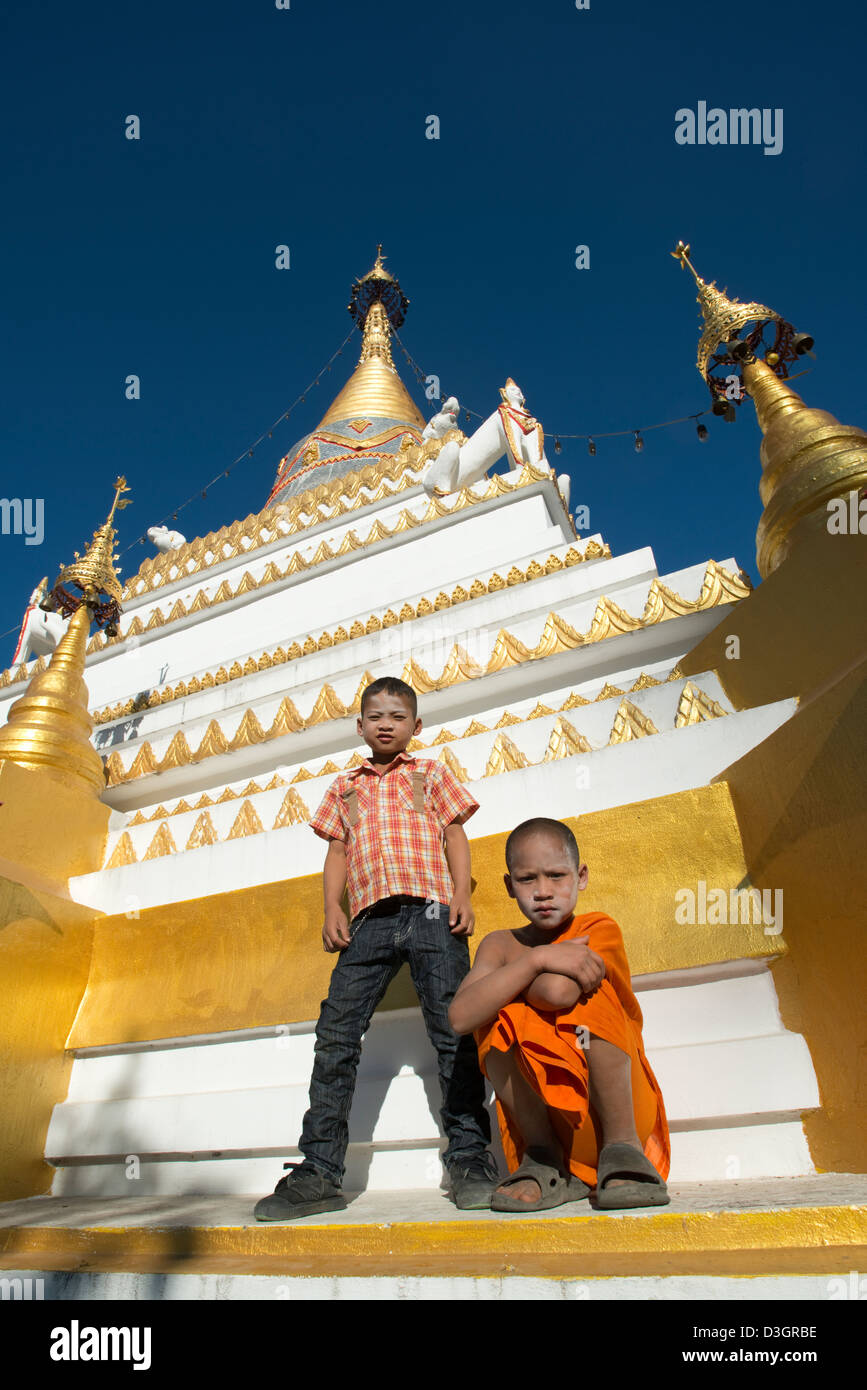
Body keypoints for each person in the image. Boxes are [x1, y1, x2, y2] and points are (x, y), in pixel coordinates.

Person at [254, 676, 498, 1220]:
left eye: (397, 715)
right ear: (359, 725)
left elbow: (455, 834)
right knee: (336, 1033)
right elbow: (336, 852)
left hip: (432, 910)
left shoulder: (430, 772)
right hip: (367, 921)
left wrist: (462, 894)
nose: (385, 723)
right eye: (375, 715)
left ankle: (470, 1157)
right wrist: (332, 909)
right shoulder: (344, 787)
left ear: (416, 726)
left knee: (452, 1028)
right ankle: (319, 1169)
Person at [448, 817, 670, 1212]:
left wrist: (513, 976)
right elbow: (461, 1017)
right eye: (527, 879)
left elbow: (560, 991)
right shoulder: (500, 943)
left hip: (609, 1118)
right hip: (549, 1129)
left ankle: (622, 1149)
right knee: (494, 1020)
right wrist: (540, 958)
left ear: (580, 876)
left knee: (586, 998)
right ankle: (543, 1156)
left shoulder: (597, 927)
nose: (543, 892)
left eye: (556, 875)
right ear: (508, 885)